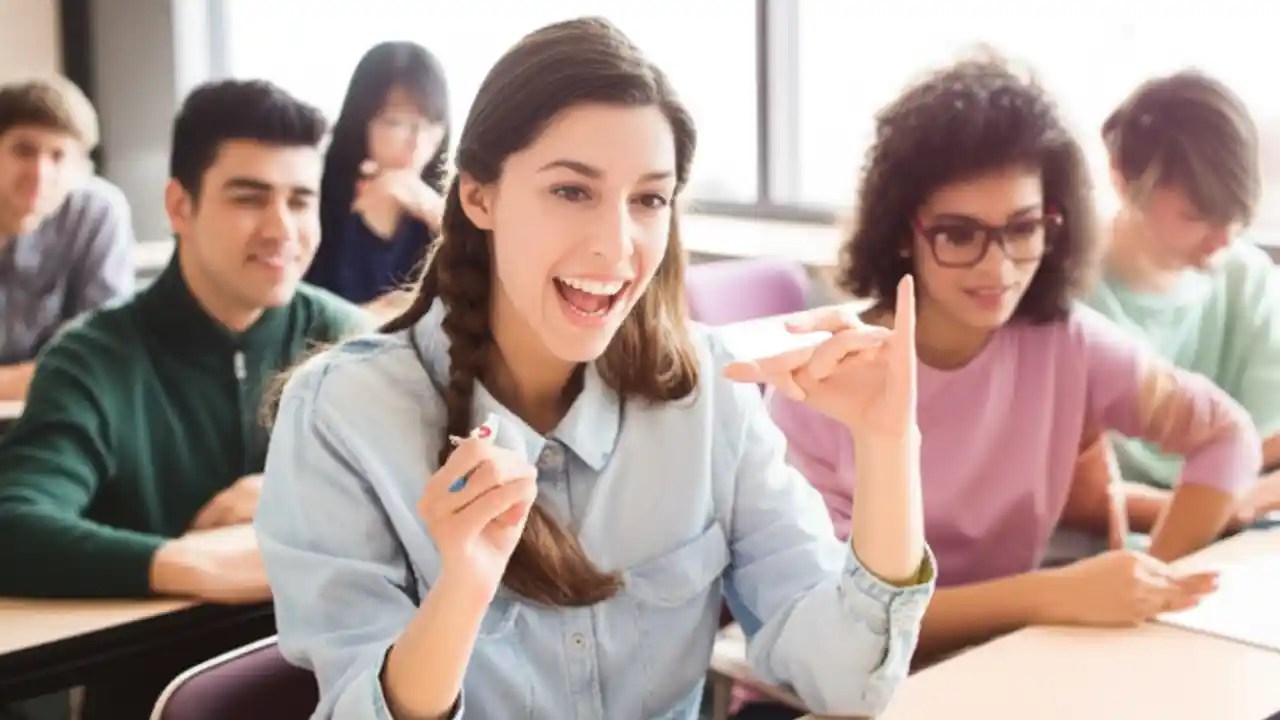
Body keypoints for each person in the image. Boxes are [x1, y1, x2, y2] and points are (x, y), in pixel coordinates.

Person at [256, 17, 934, 720]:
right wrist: (461, 591)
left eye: (648, 200)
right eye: (572, 191)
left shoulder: (710, 393)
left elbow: (849, 685)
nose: (616, 248)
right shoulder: (341, 415)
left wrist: (887, 446)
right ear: (479, 195)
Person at [726, 56, 1260, 718]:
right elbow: (847, 638)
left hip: (1002, 666)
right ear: (902, 233)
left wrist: (1157, 576)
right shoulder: (830, 383)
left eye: (1022, 228)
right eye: (958, 234)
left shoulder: (1067, 341)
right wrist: (1053, 594)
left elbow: (1225, 434)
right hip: (833, 696)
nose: (998, 266)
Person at [0, 79, 367, 718]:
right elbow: (13, 525)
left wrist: (290, 493)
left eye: (301, 201)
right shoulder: (93, 358)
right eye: (249, 198)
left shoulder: (347, 342)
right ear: (180, 207)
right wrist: (191, 565)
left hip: (334, 693)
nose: (282, 228)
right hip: (153, 697)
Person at [1080, 70, 1280, 535]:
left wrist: (1237, 505)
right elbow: (1084, 499)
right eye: (1195, 217)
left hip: (1235, 534)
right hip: (1113, 550)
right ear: (1122, 181)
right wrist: (1225, 508)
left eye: (1235, 216)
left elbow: (1269, 441)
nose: (1222, 239)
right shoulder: (1069, 298)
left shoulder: (1245, 276)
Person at [0, 76, 134, 401]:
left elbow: (103, 357)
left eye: (58, 156)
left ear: (82, 167)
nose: (40, 173)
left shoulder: (97, 212)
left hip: (56, 413)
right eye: (24, 151)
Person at [306, 40, 450, 318]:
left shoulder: (441, 205)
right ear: (361, 121)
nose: (417, 142)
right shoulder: (313, 195)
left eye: (431, 125)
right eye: (397, 122)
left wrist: (437, 214)